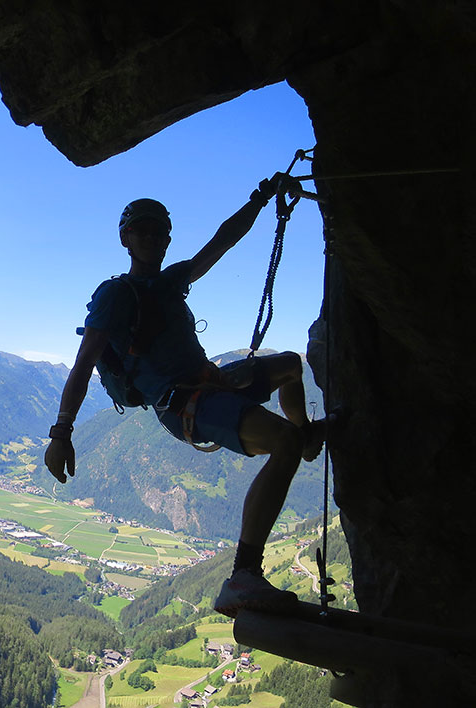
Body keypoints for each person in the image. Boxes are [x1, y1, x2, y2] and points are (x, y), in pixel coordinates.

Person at [44, 179, 332, 617]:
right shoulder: (115, 296)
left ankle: (306, 438)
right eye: (143, 231)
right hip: (183, 405)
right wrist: (61, 432)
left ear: (167, 238)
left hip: (210, 381)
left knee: (291, 364)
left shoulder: (172, 280)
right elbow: (83, 364)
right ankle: (244, 575)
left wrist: (260, 199)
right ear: (125, 239)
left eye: (159, 231)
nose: (152, 239)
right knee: (284, 443)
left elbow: (220, 244)